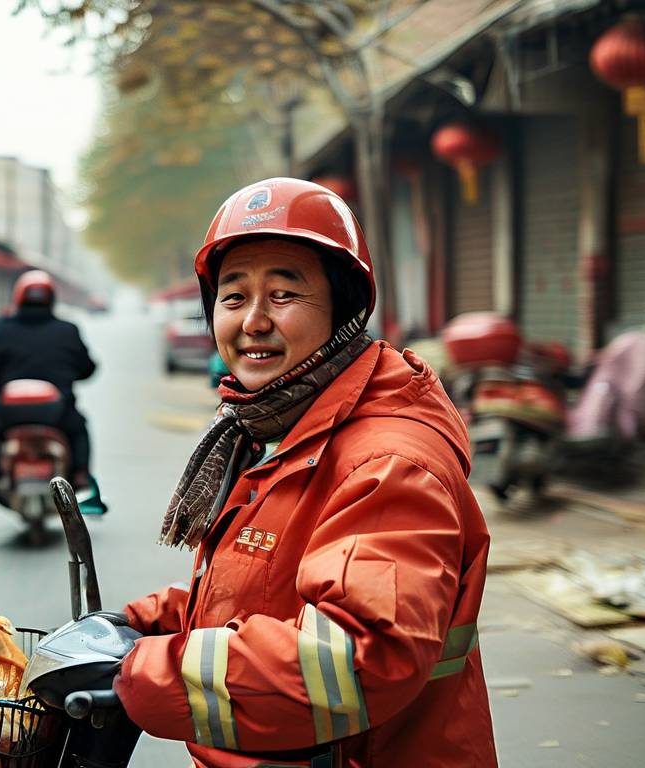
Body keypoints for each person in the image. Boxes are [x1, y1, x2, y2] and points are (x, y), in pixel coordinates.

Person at [113, 178, 496, 766]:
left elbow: (359, 658)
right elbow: (268, 595)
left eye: (285, 295)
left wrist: (143, 672)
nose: (254, 322)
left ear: (344, 312)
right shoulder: (282, 433)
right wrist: (137, 625)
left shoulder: (388, 465)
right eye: (234, 297)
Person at [0, 269, 97, 491]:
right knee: (79, 428)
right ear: (51, 299)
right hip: (58, 414)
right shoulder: (68, 330)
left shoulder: (2, 330)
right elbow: (87, 368)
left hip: (10, 415)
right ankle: (80, 474)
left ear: (18, 298)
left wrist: (2, 390)